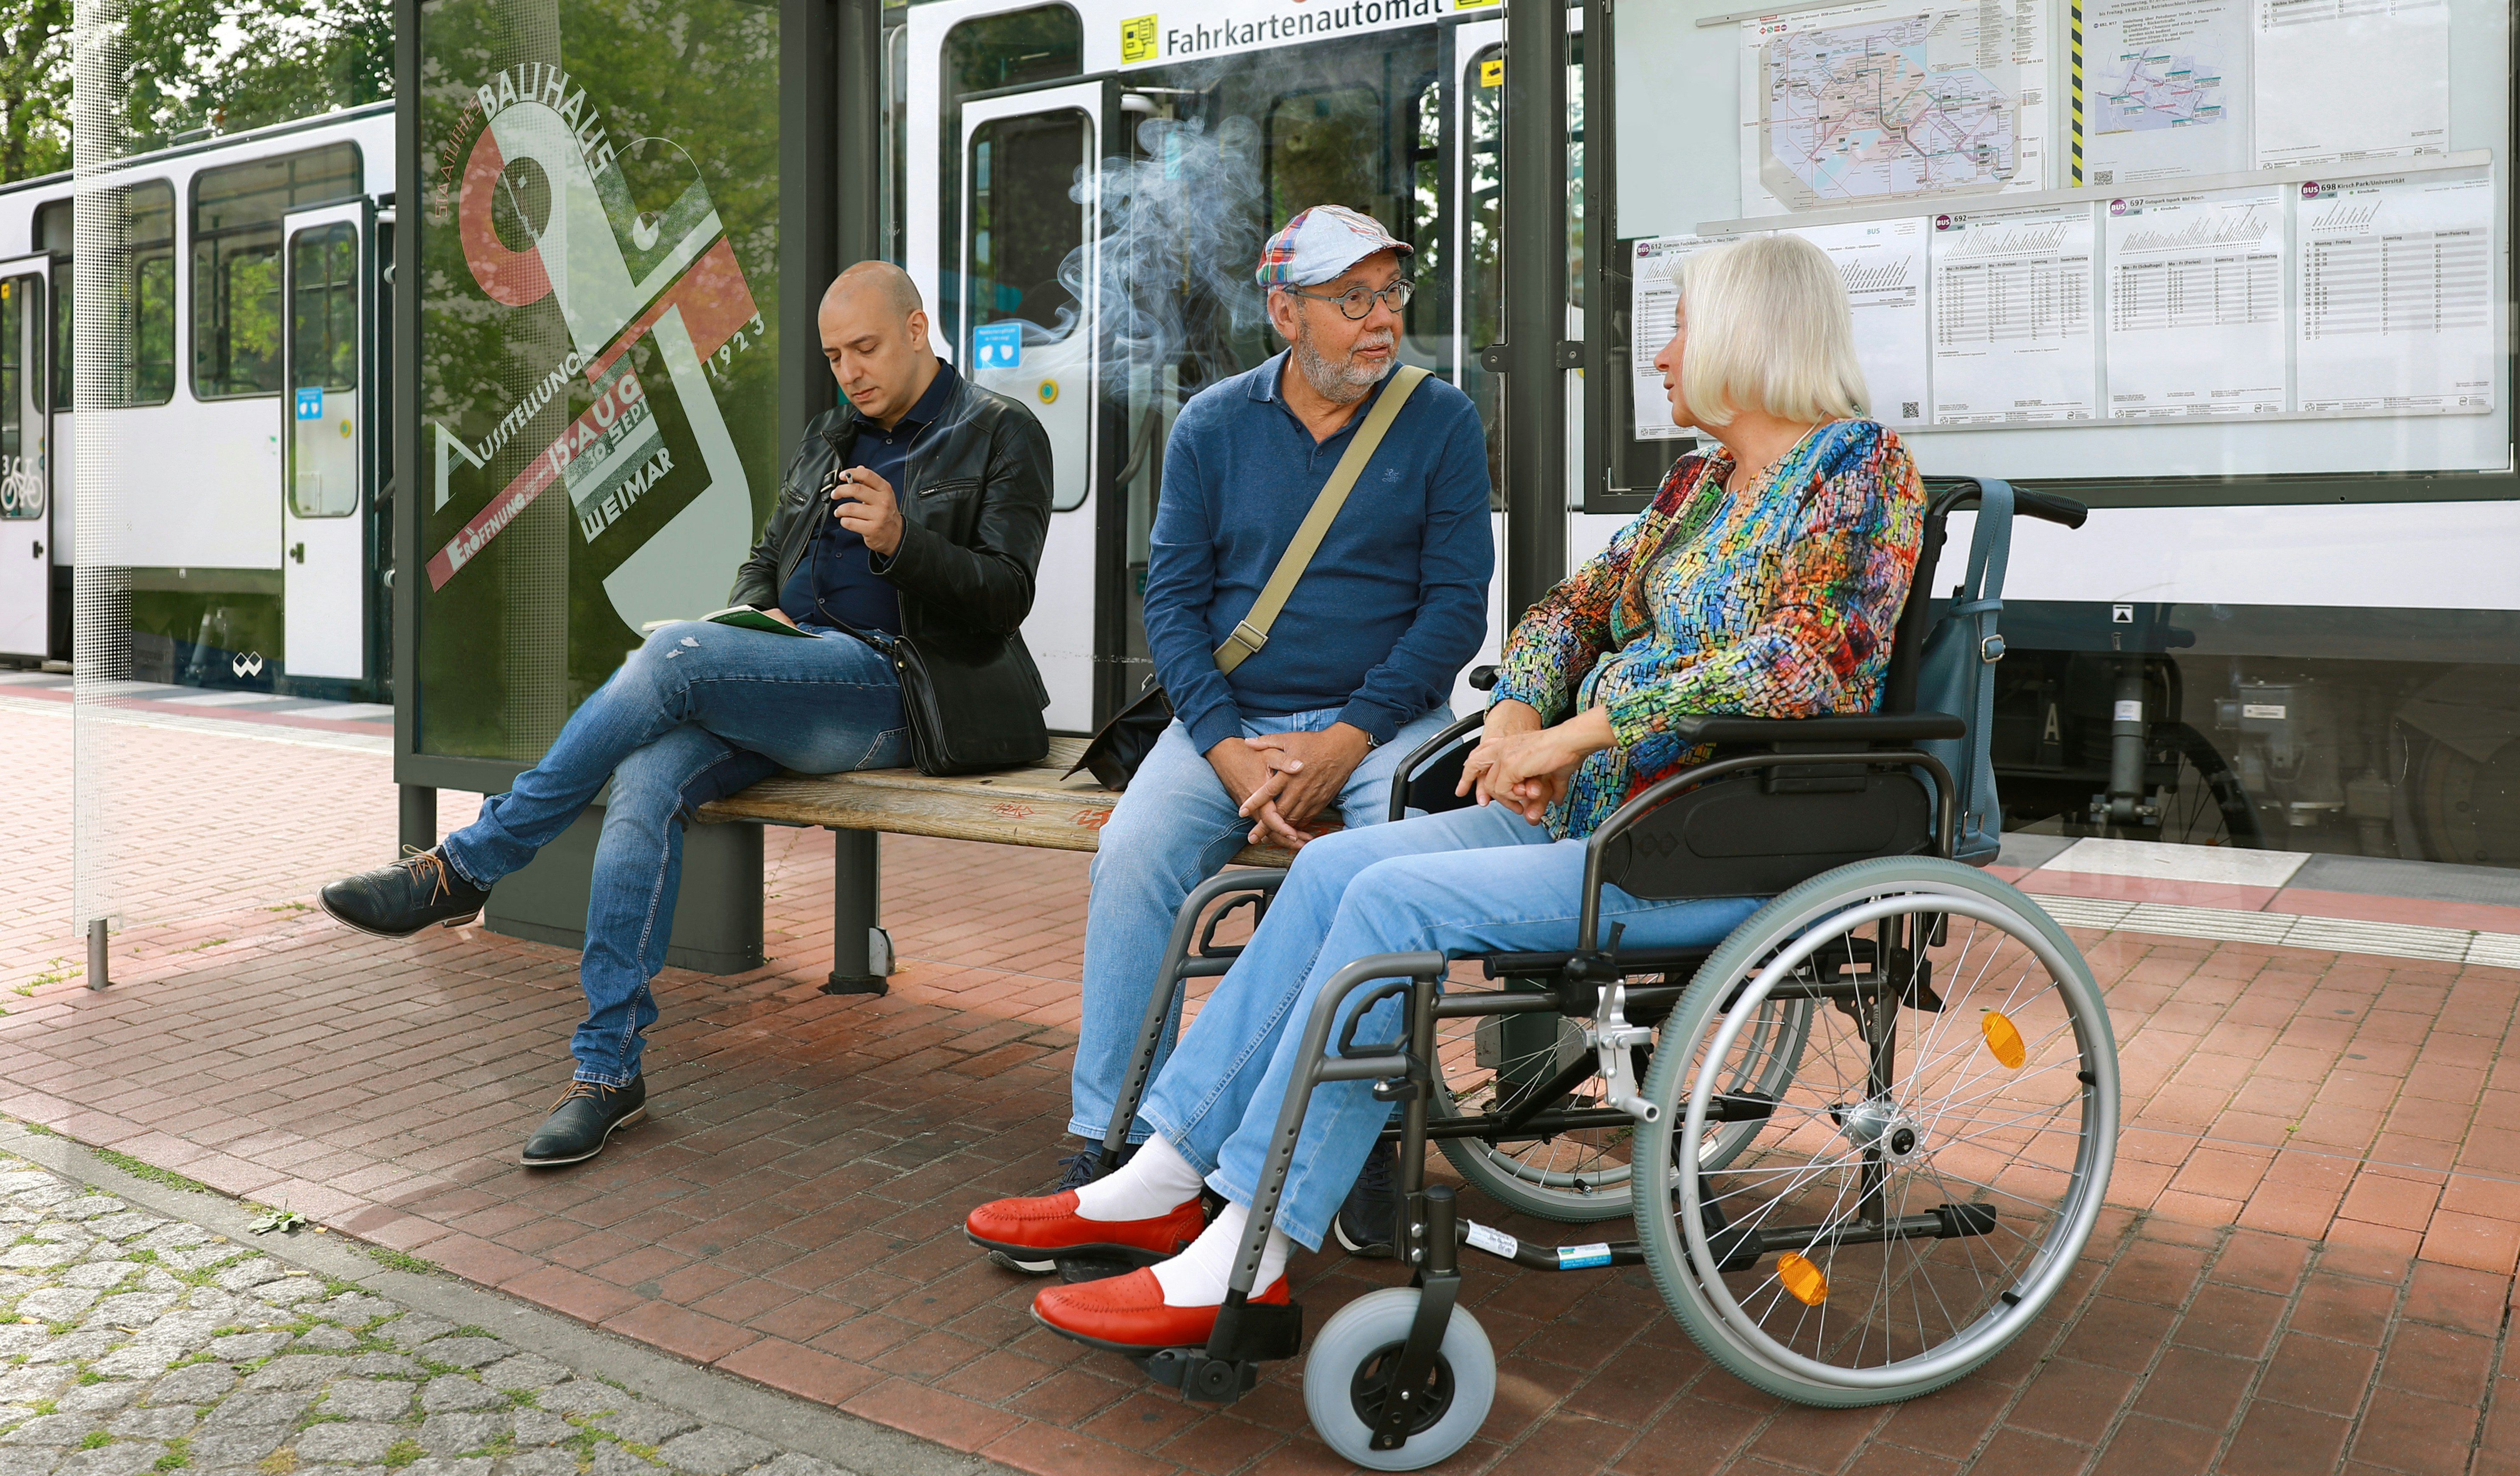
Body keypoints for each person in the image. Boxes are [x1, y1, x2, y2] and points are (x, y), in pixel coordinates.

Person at [966, 232, 1925, 1350]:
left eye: (1675, 329)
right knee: (1330, 867)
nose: (1658, 358)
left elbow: (1803, 663)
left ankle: (1250, 1255)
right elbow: (1571, 609)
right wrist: (1521, 707)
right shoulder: (1700, 484)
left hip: (1699, 839)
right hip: (1599, 822)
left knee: (1389, 905)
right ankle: (1168, 1173)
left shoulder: (1861, 471)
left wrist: (1581, 731)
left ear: (1746, 338)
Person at [319, 263, 1055, 1167]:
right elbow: (766, 554)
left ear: (916, 329)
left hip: (899, 690)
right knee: (647, 774)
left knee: (671, 658)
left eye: (864, 348)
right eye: (833, 356)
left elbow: (1005, 596)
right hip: (792, 674)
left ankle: (468, 864)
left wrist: (904, 542)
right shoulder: (833, 434)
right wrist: (755, 614)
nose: (849, 372)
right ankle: (606, 1071)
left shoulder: (1000, 432)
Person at [1021, 204, 1492, 1264]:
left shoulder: (1441, 422)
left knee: (1395, 876)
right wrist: (1228, 747)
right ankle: (1111, 1138)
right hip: (1229, 723)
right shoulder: (1213, 426)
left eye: (1390, 295)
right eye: (1351, 299)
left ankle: (1366, 1134)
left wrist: (1352, 736)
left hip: (1381, 723)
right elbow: (1175, 604)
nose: (1382, 322)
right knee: (1135, 853)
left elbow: (1456, 608)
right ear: (1286, 312)